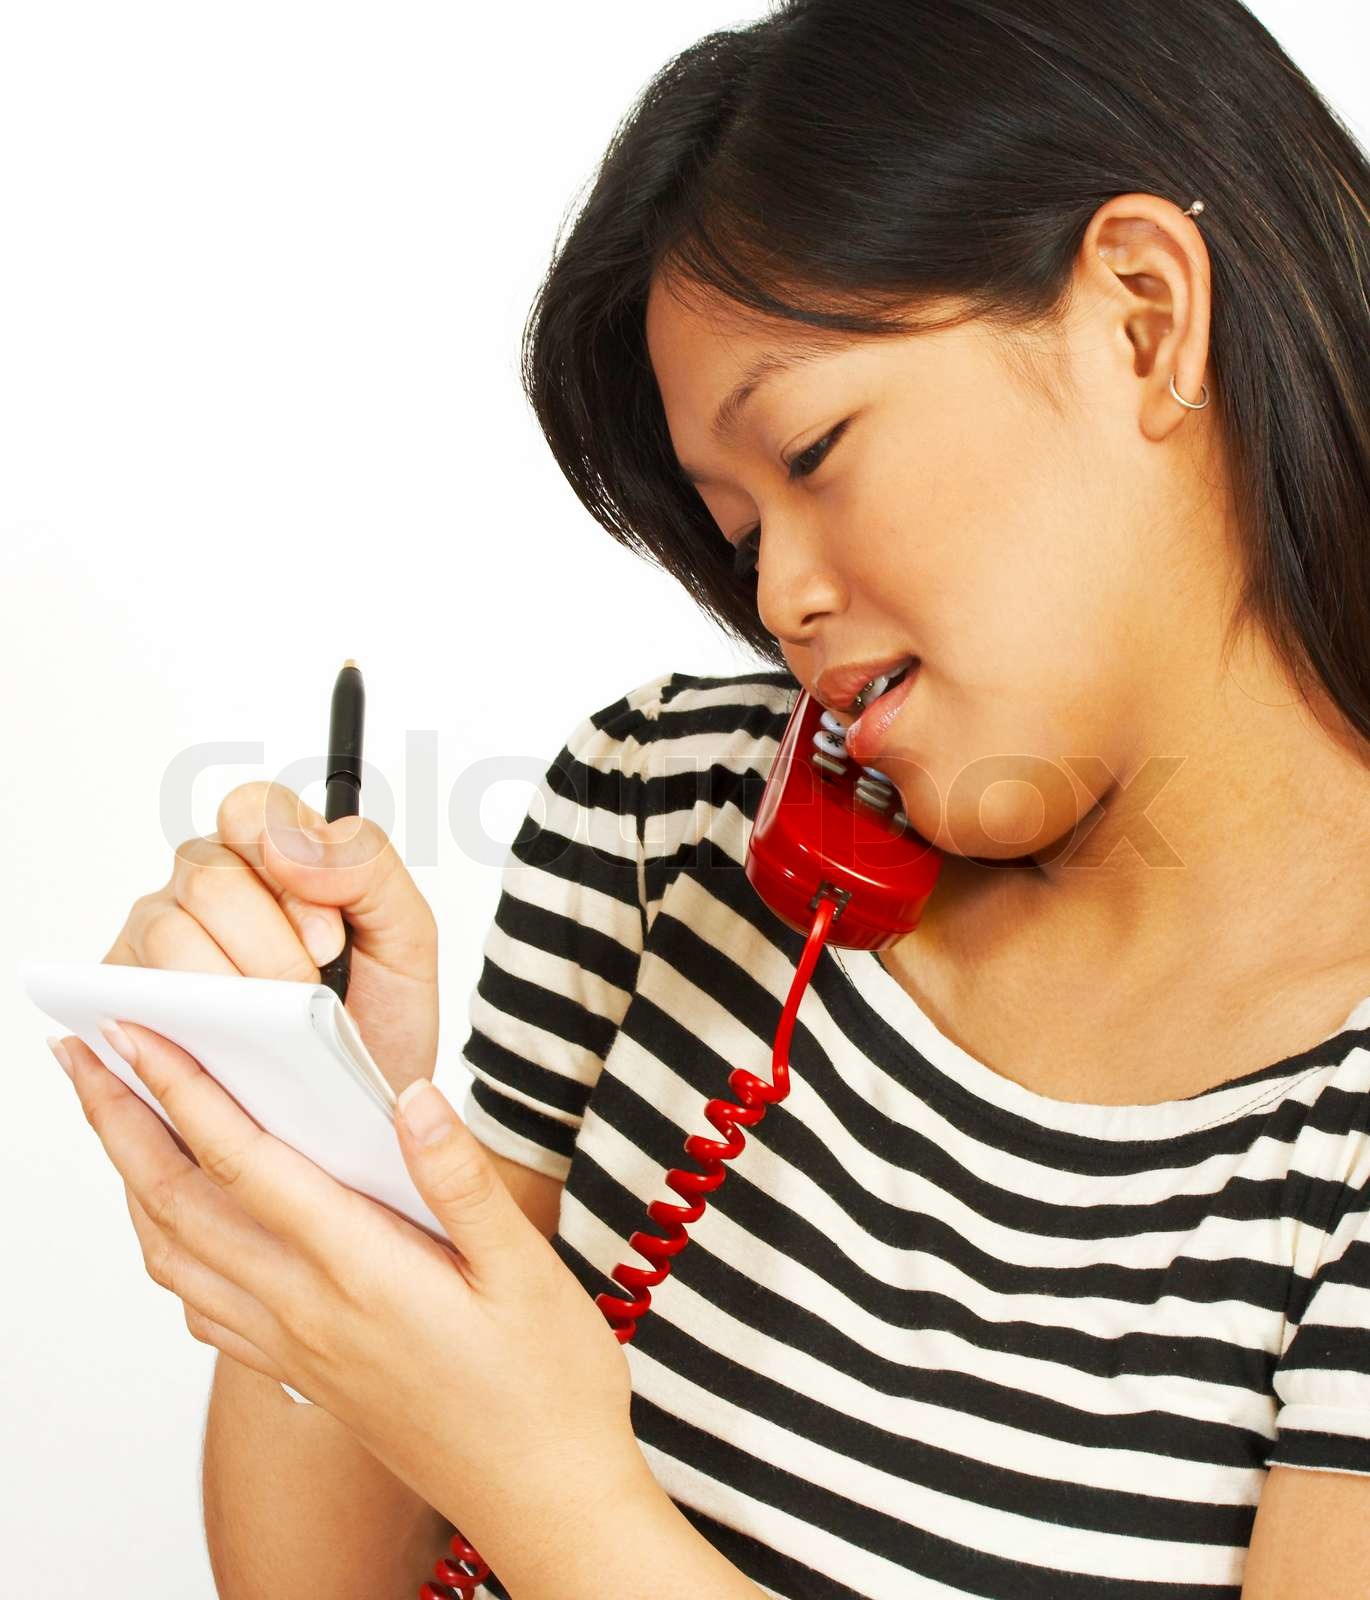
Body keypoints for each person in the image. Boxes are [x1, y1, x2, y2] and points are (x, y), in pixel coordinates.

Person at [457, 0, 1370, 1594]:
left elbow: (511, 1482)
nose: (780, 600)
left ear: (1141, 319)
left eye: (810, 451)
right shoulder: (668, 813)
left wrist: (539, 1479)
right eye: (736, 534)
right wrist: (318, 1155)